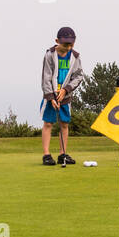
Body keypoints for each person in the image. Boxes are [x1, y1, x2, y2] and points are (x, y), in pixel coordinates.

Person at [40, 26, 84, 165]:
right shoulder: (50, 55)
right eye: (65, 44)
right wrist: (51, 97)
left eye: (71, 44)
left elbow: (79, 76)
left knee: (64, 124)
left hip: (65, 96)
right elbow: (46, 77)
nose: (68, 47)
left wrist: (66, 90)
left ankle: (62, 154)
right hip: (51, 95)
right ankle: (46, 154)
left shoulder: (75, 57)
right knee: (48, 123)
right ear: (57, 41)